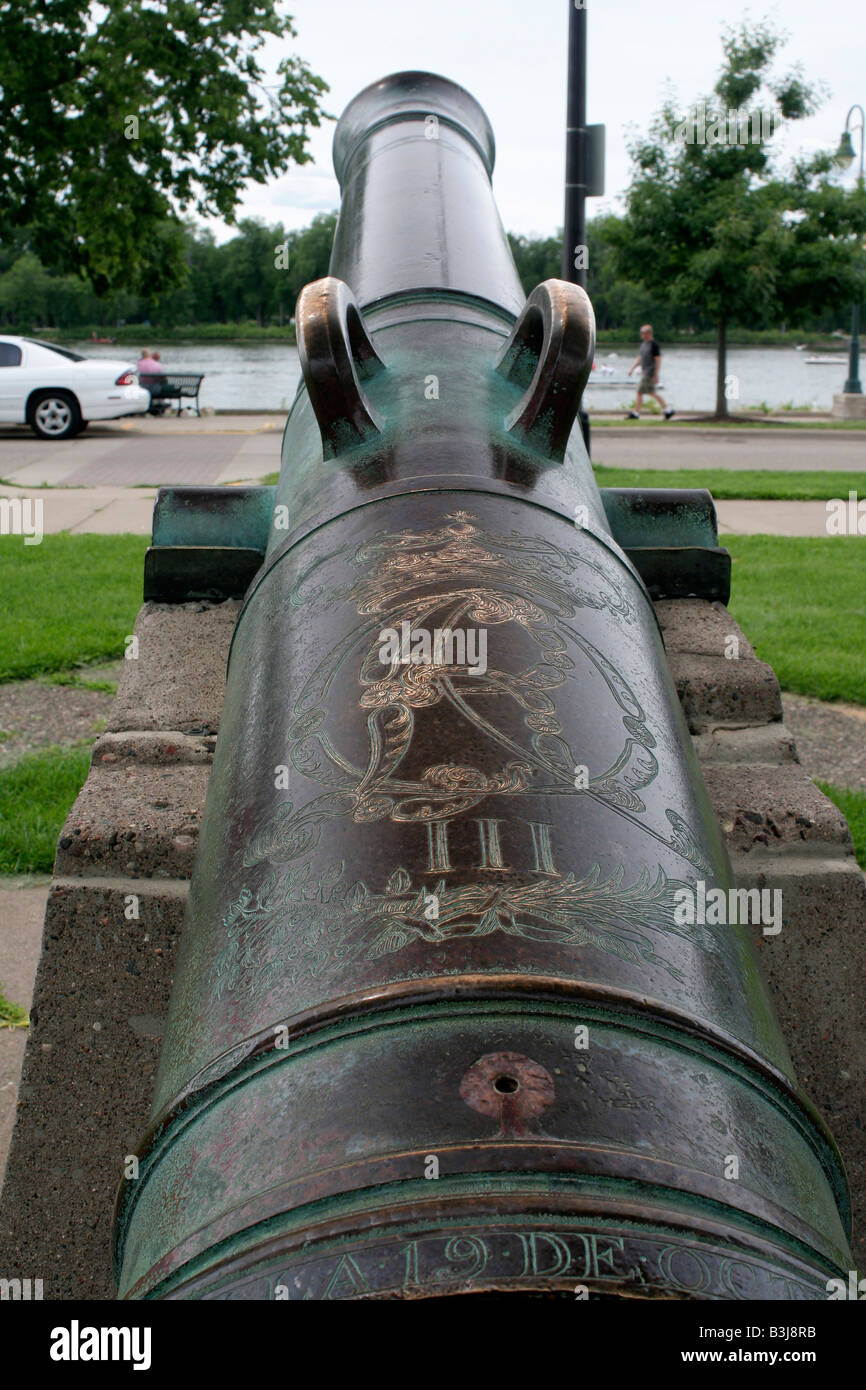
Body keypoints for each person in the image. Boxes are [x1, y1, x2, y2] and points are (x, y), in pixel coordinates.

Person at [626, 325, 674, 419]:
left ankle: (636, 413)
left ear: (648, 333)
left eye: (643, 333)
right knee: (651, 392)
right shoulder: (643, 345)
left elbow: (658, 360)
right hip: (645, 372)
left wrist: (656, 374)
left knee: (640, 392)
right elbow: (640, 358)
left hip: (649, 372)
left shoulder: (654, 345)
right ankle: (668, 410)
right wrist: (632, 369)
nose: (641, 334)